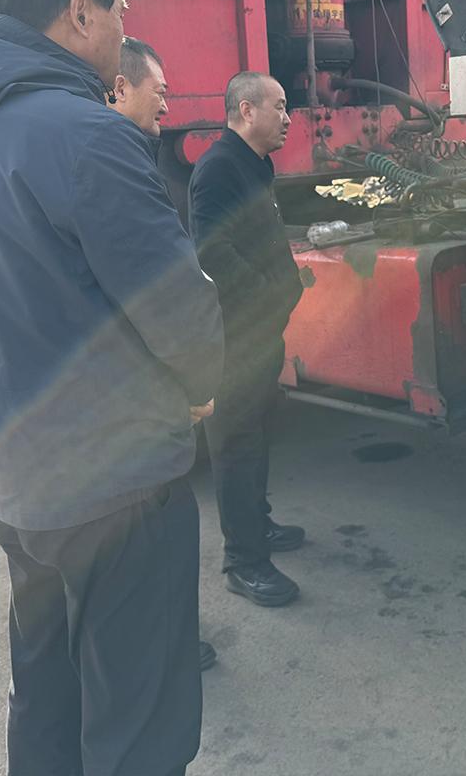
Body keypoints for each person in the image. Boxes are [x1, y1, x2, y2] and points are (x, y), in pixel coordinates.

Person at [0, 0, 224, 776]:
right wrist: (201, 386)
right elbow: (176, 305)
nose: (125, 31)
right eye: (120, 10)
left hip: (12, 483)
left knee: (46, 702)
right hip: (115, 491)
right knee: (137, 726)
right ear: (80, 12)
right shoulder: (88, 133)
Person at [105, 35, 218, 673]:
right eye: (160, 92)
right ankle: (164, 651)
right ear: (120, 88)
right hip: (134, 415)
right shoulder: (113, 164)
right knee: (154, 534)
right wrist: (196, 387)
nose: (167, 107)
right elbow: (173, 295)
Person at [189, 72, 305, 607]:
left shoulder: (255, 164)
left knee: (258, 436)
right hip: (236, 338)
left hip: (262, 333)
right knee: (235, 446)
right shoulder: (218, 168)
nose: (288, 118)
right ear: (245, 110)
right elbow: (212, 251)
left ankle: (258, 525)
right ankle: (244, 562)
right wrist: (266, 298)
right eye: (278, 106)